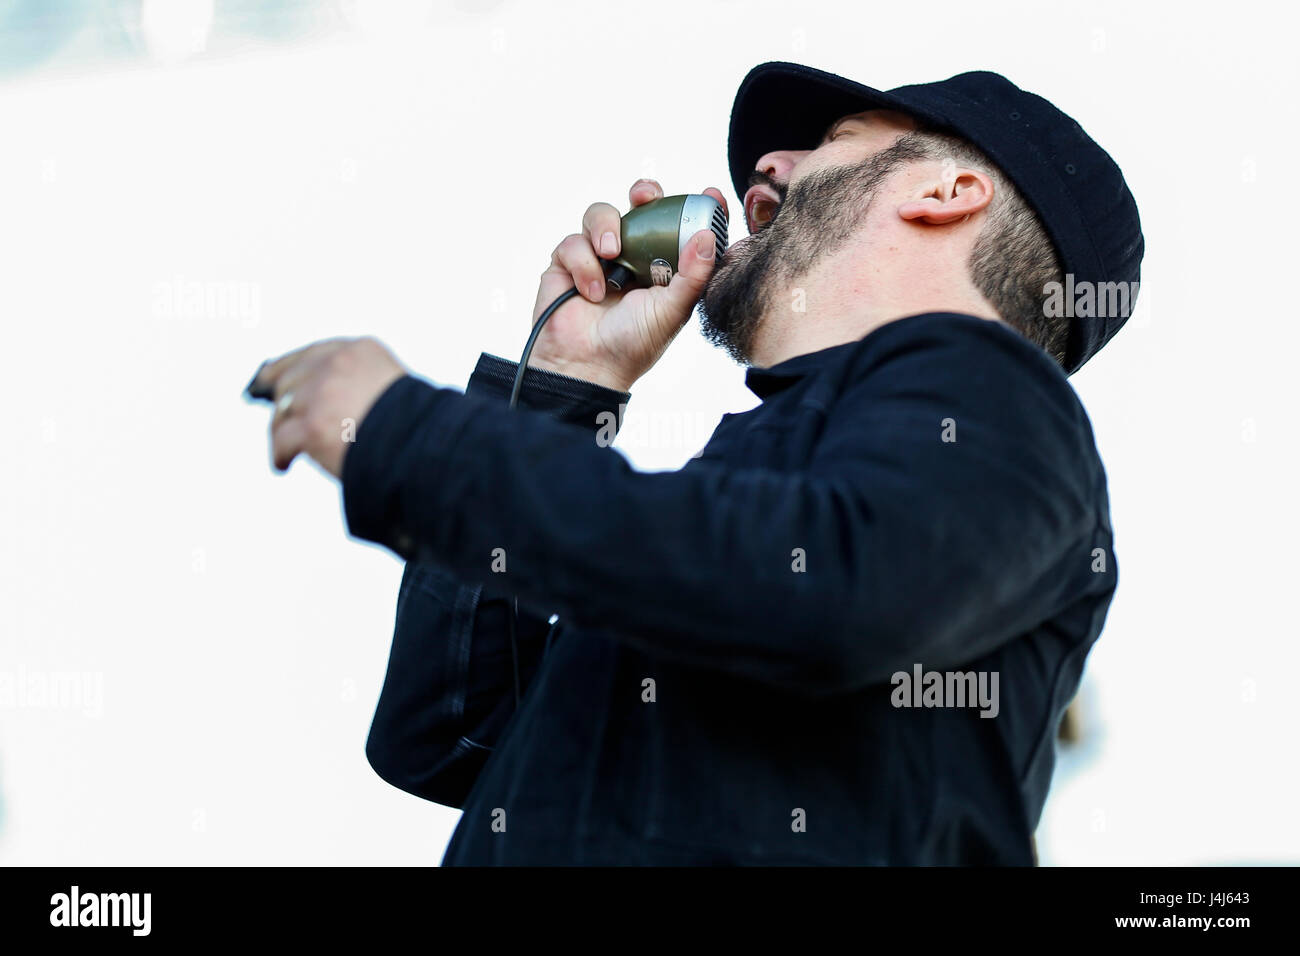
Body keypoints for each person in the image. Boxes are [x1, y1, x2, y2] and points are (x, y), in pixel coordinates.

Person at [249, 61, 1143, 865]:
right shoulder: (751, 494)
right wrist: (565, 383)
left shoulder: (994, 395)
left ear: (947, 192)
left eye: (831, 140)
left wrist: (413, 435)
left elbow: (828, 591)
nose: (767, 167)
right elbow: (449, 739)